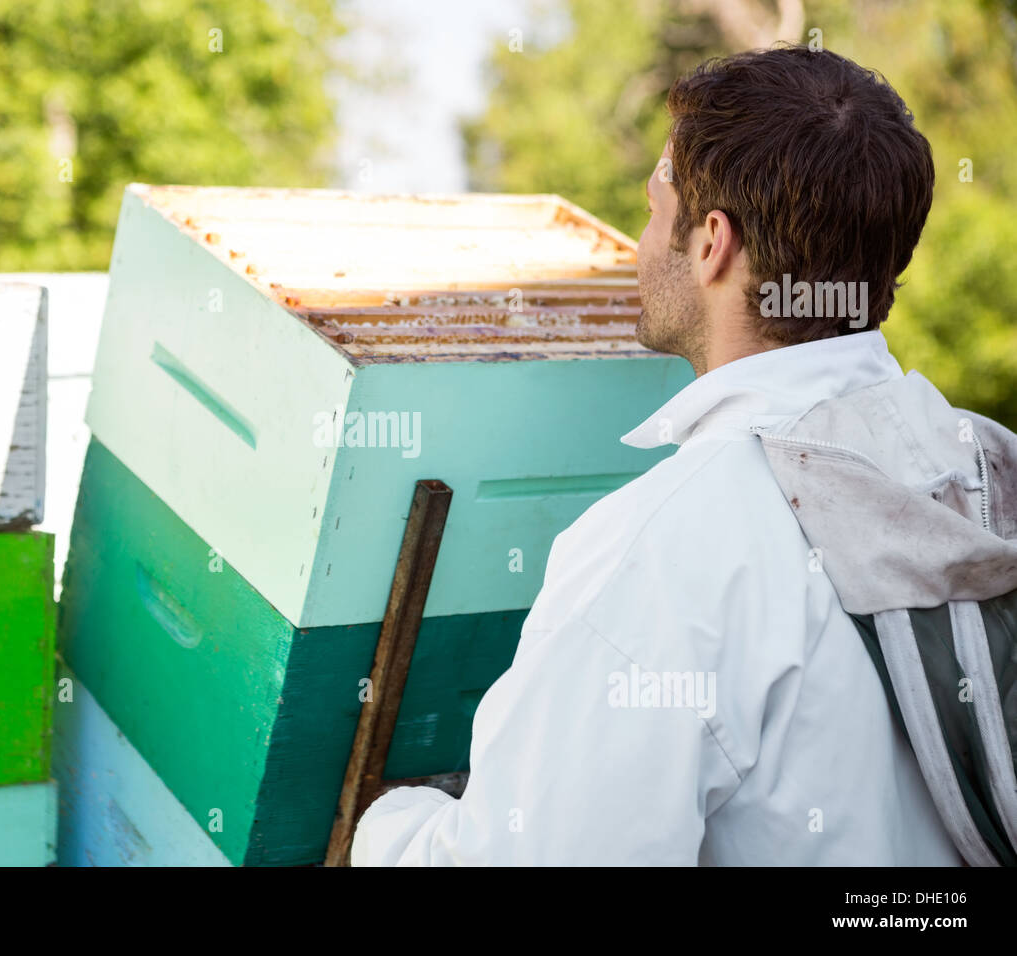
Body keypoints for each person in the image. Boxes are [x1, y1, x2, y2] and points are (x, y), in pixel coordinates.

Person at [351, 44, 1017, 866]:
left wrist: (386, 829)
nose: (638, 240)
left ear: (711, 244)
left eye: (653, 207)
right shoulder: (986, 467)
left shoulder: (667, 553)